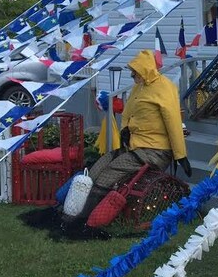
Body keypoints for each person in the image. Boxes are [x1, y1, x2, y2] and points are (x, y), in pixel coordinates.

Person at [68, 49, 192, 223]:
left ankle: (87, 218)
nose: (132, 75)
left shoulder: (165, 88)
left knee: (110, 172)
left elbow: (173, 121)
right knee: (97, 167)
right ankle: (72, 209)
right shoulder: (138, 87)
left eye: (135, 72)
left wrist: (181, 155)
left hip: (155, 150)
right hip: (134, 146)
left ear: (144, 70)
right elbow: (127, 113)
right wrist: (125, 129)